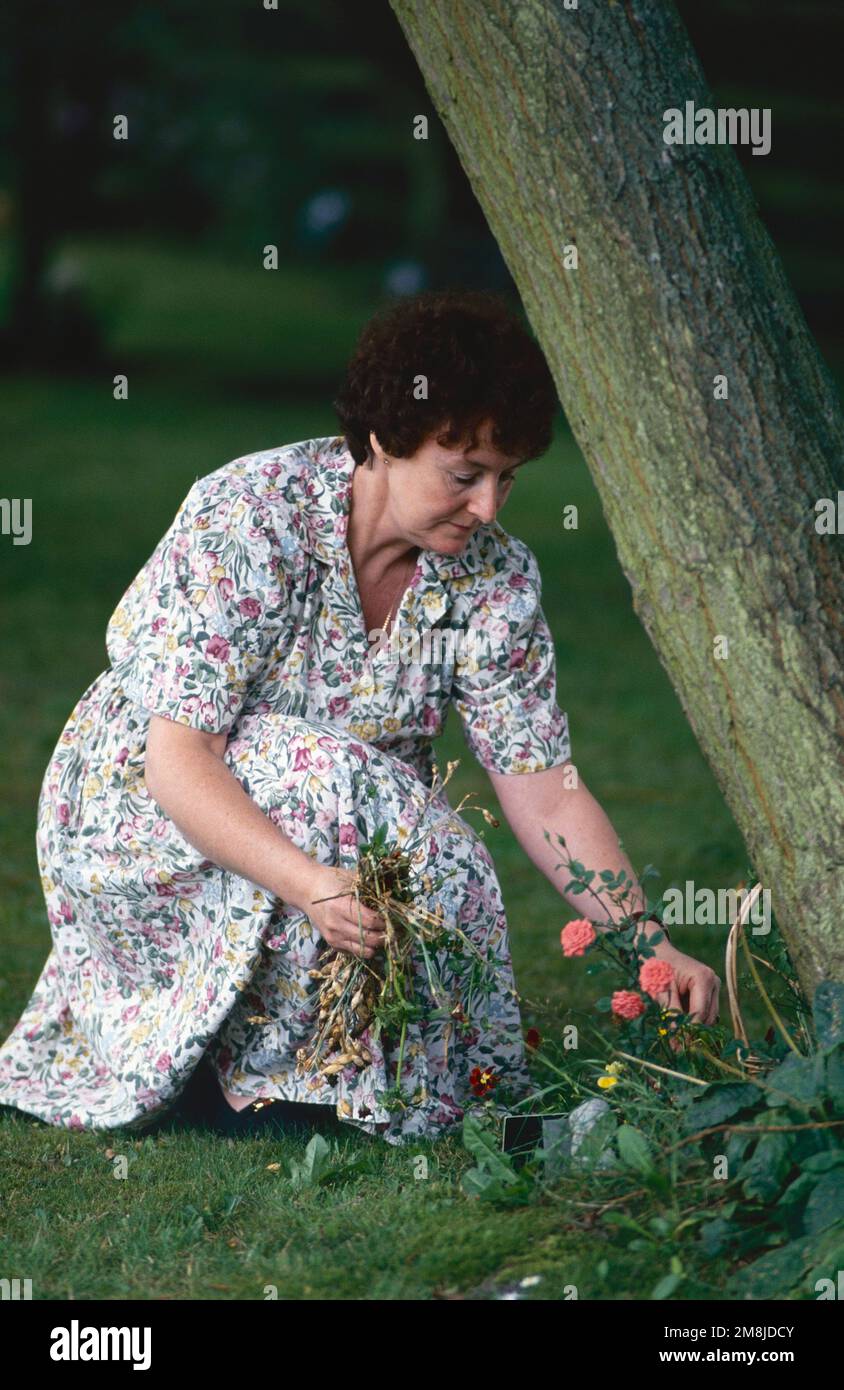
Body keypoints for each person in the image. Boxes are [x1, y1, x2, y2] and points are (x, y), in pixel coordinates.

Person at [0, 289, 719, 1146]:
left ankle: (428, 1095)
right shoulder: (253, 514)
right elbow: (179, 760)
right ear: (383, 439)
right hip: (144, 810)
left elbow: (546, 792)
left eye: (507, 478)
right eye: (464, 475)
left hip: (340, 813)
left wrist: (647, 941)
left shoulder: (494, 579)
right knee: (333, 776)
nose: (489, 507)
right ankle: (243, 1091)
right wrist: (312, 886)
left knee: (433, 841)